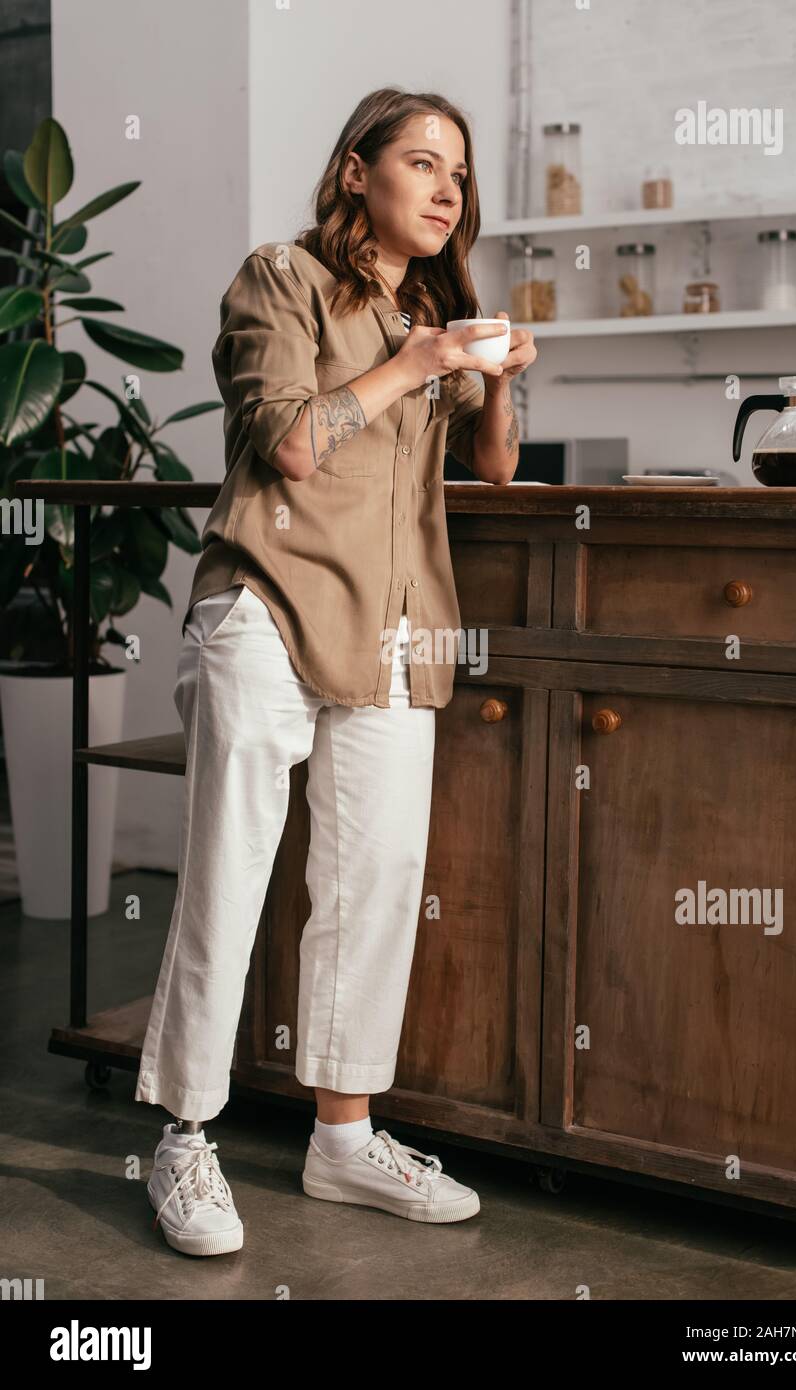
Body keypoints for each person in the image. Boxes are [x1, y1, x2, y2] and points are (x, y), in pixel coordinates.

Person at [134, 86, 537, 1255]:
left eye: (459, 172)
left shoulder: (433, 312)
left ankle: (345, 1139)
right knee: (232, 873)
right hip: (265, 607)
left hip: (398, 631)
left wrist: (498, 375)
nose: (449, 187)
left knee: (375, 884)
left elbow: (500, 469)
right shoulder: (281, 279)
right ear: (356, 171)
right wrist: (413, 366)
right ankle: (182, 1140)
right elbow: (295, 443)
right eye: (422, 162)